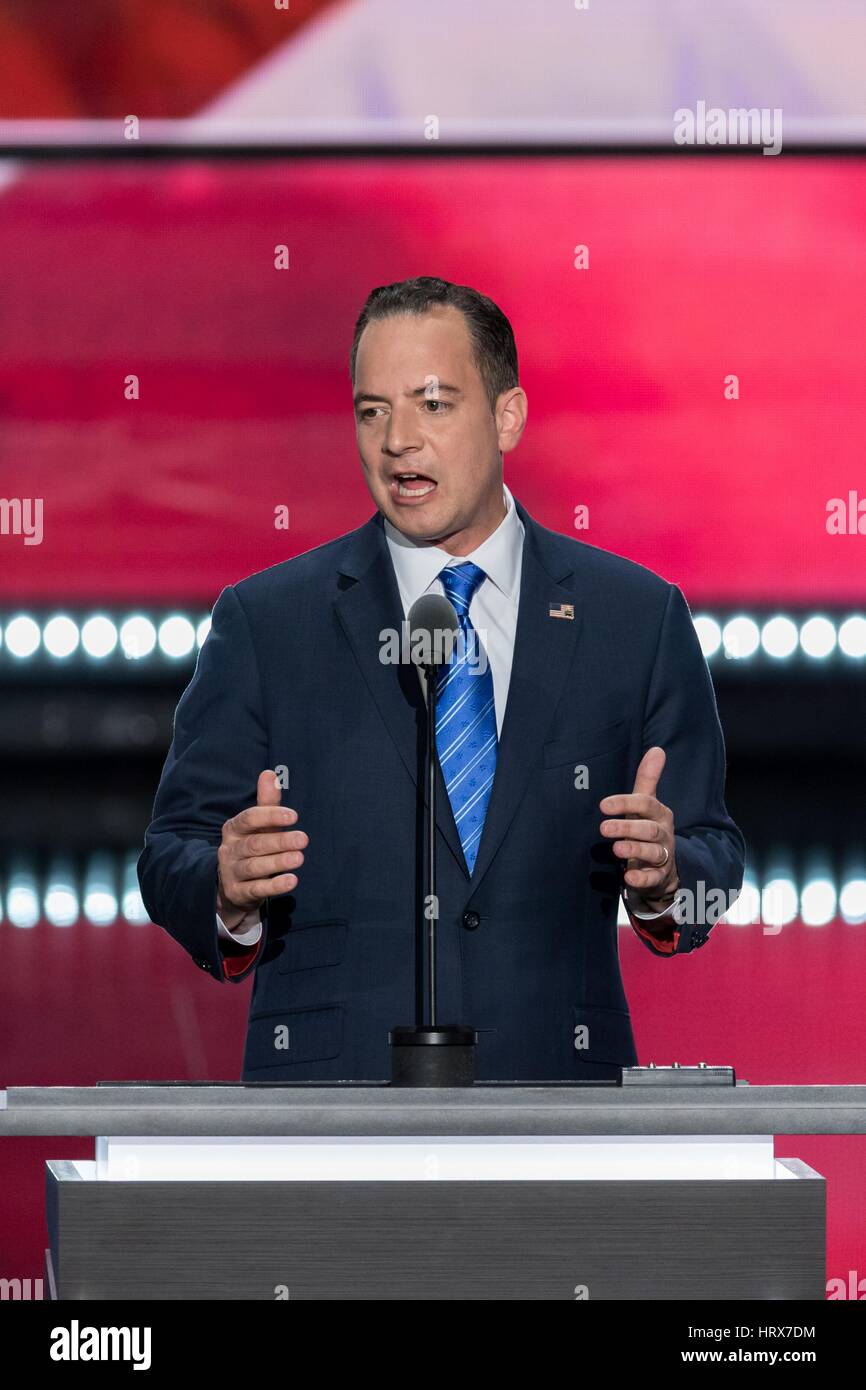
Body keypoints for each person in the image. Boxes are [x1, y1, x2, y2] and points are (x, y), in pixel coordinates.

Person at [138, 275, 744, 1082]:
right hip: (332, 1110)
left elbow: (713, 844)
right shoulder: (267, 623)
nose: (397, 441)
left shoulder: (634, 618)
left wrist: (669, 880)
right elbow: (170, 851)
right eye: (372, 410)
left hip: (559, 1103)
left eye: (433, 403)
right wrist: (225, 891)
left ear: (508, 416)